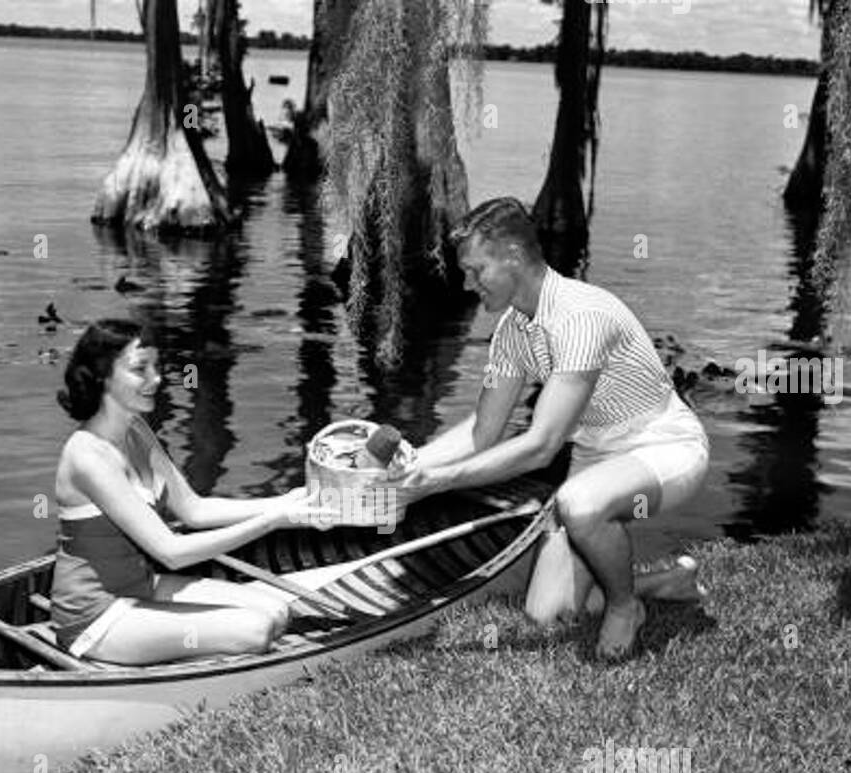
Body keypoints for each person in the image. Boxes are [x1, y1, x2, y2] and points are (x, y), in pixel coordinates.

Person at [390, 198, 710, 660]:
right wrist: (412, 465)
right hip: (596, 456)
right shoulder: (513, 331)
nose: (467, 283)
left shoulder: (582, 317)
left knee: (579, 504)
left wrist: (435, 484)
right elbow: (483, 430)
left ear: (515, 258)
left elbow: (541, 446)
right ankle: (668, 580)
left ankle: (625, 607)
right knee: (548, 614)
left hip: (663, 448)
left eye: (476, 270)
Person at [51, 319, 335, 665]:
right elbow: (172, 552)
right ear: (102, 376)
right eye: (140, 369)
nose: (156, 379)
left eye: (157, 366)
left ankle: (176, 654)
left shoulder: (136, 429)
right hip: (95, 617)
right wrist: (273, 521)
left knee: (277, 612)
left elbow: (194, 510)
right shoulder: (87, 456)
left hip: (140, 587)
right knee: (256, 629)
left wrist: (285, 500)